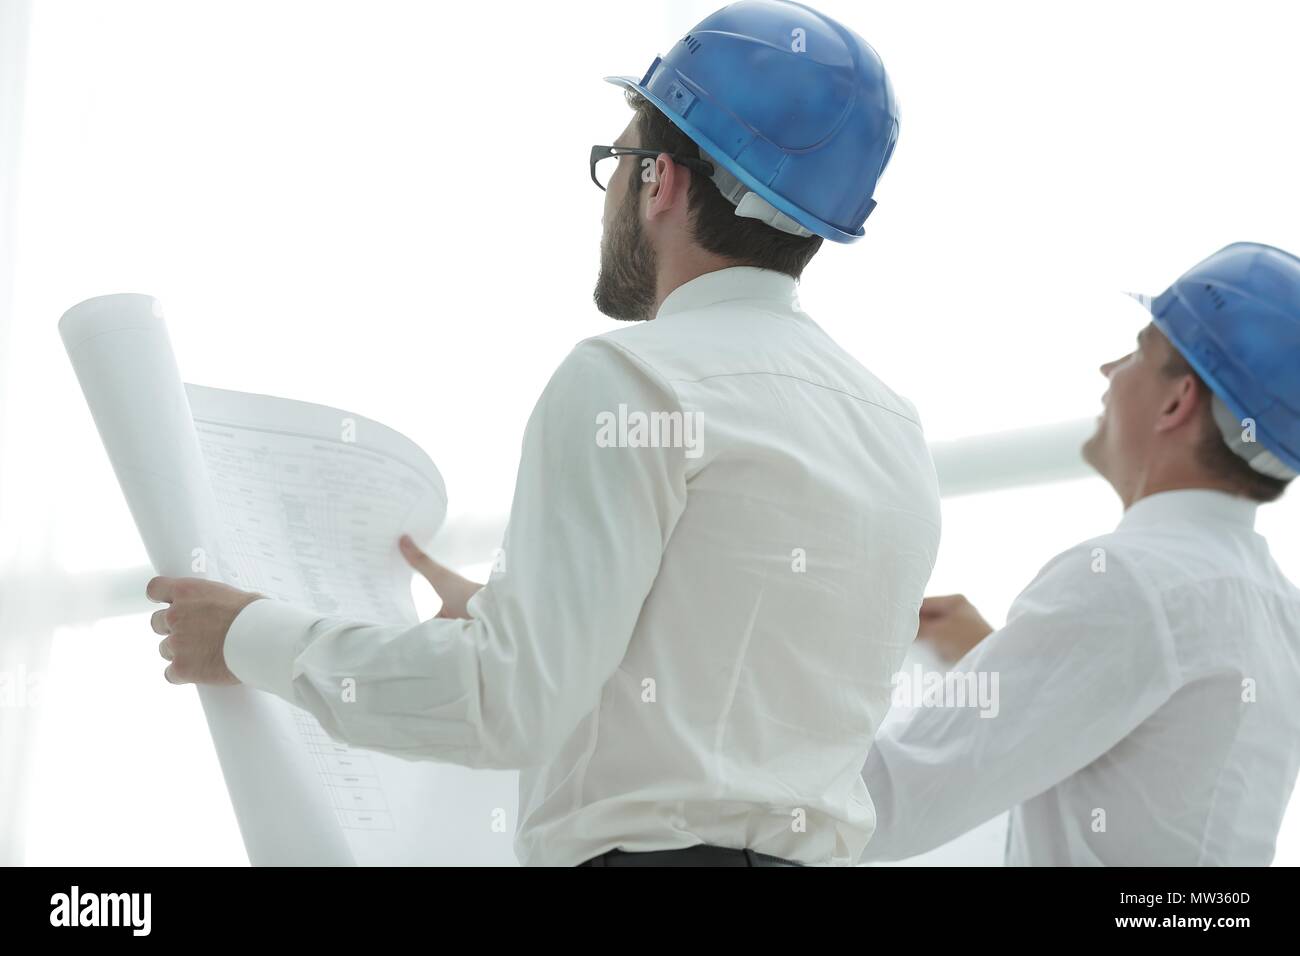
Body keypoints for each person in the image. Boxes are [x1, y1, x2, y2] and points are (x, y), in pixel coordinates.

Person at [147, 0, 941, 867]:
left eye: (619, 162)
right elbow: (732, 662)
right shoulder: (892, 429)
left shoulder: (633, 379)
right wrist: (516, 611)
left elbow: (505, 702)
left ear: (661, 181)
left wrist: (247, 635)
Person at [862, 242, 1300, 866]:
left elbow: (887, 803)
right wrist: (1002, 664)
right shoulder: (1276, 605)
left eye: (1139, 352)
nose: (1108, 369)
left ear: (1177, 402)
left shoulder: (1126, 582)